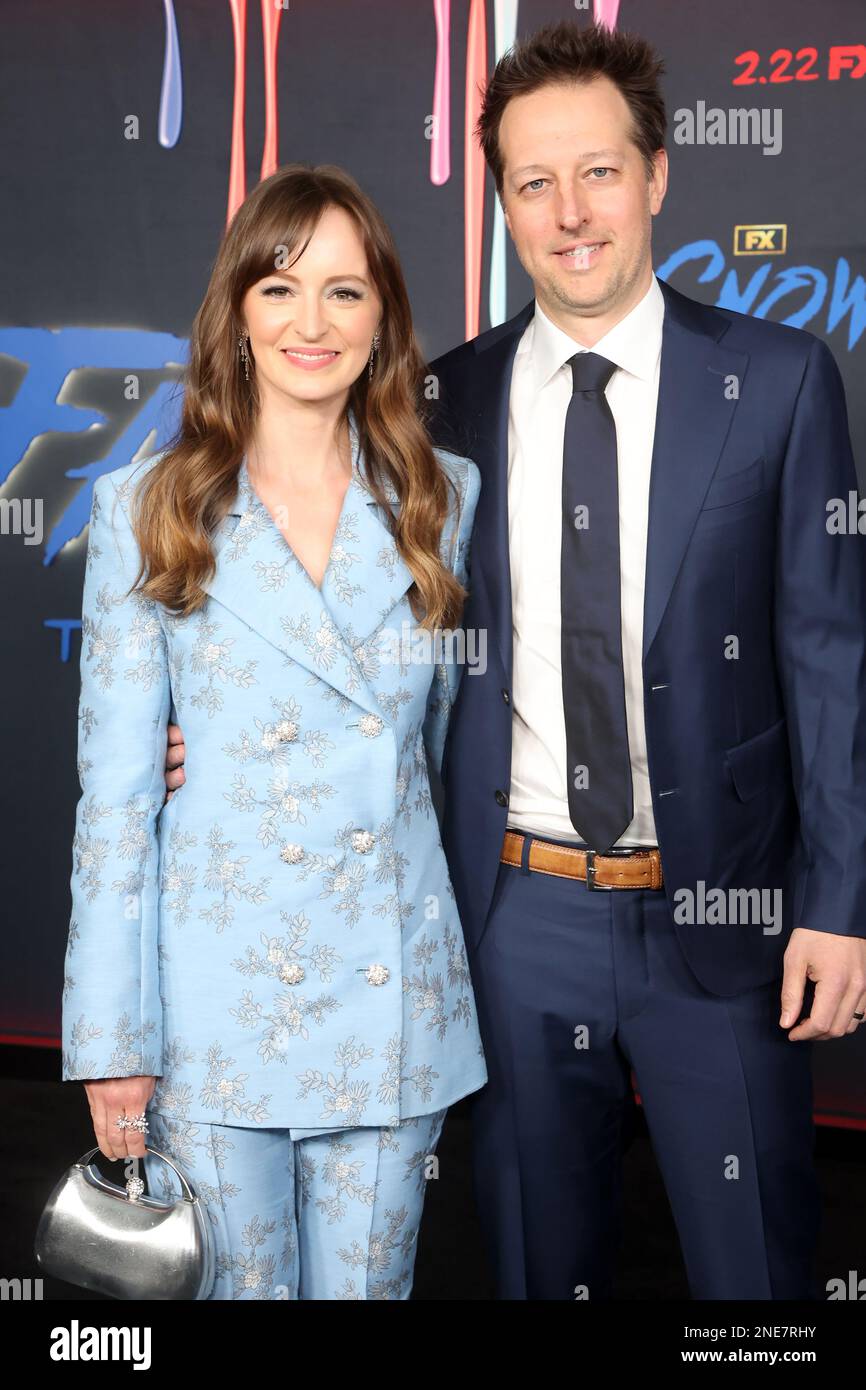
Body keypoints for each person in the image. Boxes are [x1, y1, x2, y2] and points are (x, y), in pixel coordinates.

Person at [419, 20, 865, 1299]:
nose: (568, 214)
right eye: (530, 181)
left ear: (657, 174)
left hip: (719, 918)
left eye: (598, 171)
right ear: (500, 198)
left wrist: (838, 900)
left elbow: (828, 659)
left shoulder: (776, 383)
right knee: (530, 1262)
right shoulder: (445, 403)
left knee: (754, 1281)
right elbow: (389, 649)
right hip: (514, 920)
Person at [61, 162, 488, 1300]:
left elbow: (446, 759)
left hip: (388, 1006)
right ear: (237, 314)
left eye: (346, 293)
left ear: (383, 318)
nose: (313, 322)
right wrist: (113, 1042)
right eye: (280, 288)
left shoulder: (444, 499)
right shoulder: (147, 507)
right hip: (213, 1011)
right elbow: (111, 808)